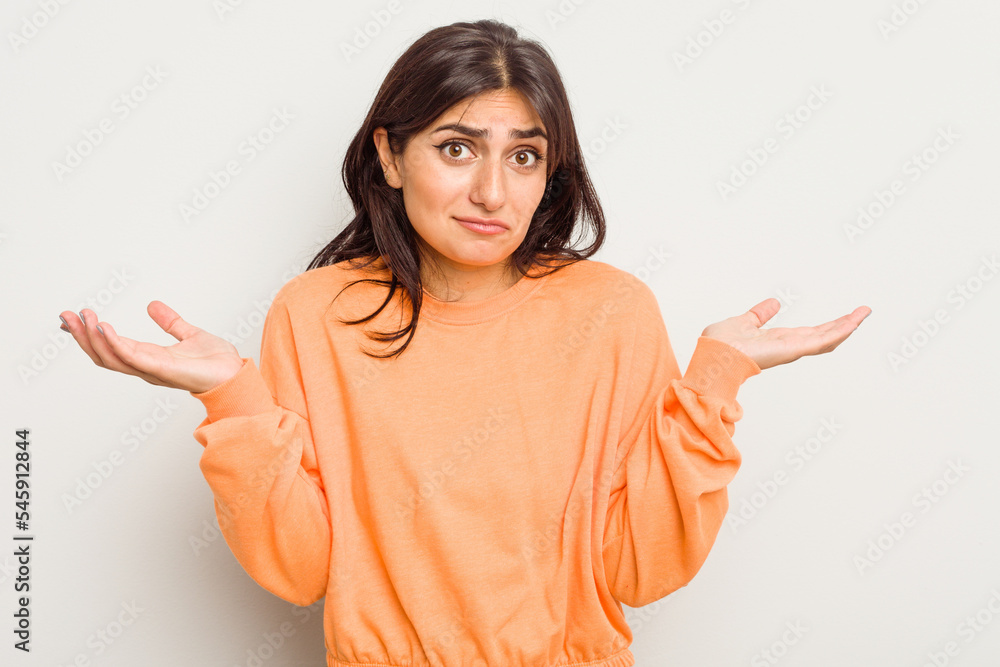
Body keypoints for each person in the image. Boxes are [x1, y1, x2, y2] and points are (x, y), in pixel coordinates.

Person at [59, 18, 871, 667]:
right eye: (457, 148)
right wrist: (231, 396)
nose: (492, 191)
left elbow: (639, 567)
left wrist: (714, 383)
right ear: (390, 154)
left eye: (524, 156)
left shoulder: (612, 311)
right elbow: (302, 570)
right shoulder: (317, 314)